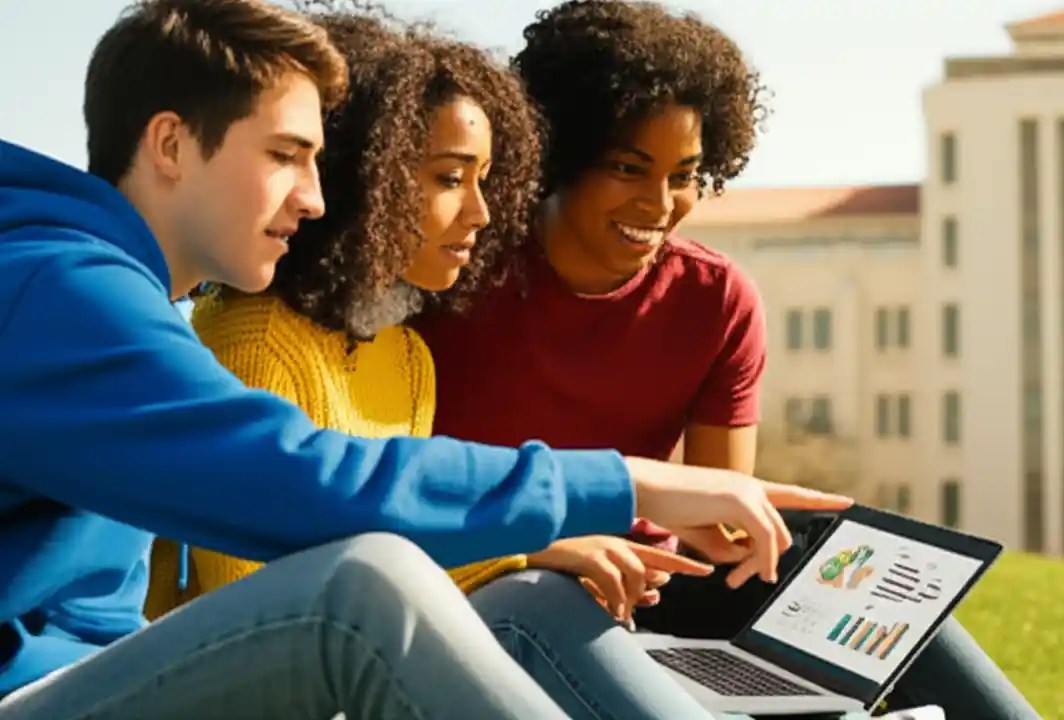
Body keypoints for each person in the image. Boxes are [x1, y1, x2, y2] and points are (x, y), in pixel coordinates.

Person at [0, 1, 851, 718]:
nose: (316, 195)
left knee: (480, 590)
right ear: (172, 145)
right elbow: (301, 485)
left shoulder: (114, 295)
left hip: (86, 672)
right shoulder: (62, 288)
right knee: (365, 585)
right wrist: (622, 484)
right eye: (285, 156)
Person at [413, 1, 1039, 718]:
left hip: (652, 586)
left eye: (685, 174)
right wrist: (546, 543)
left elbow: (716, 516)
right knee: (551, 595)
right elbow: (394, 488)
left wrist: (810, 564)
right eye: (627, 167)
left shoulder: (716, 301)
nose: (659, 203)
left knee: (880, 610)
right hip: (510, 581)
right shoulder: (455, 271)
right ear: (562, 150)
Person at [141, 12, 739, 718]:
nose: (483, 213)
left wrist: (530, 555)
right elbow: (283, 602)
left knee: (538, 598)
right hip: (253, 685)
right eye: (451, 178)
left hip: (357, 651)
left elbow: (398, 552)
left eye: (488, 179)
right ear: (370, 175)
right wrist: (524, 546)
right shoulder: (256, 342)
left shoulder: (407, 355)